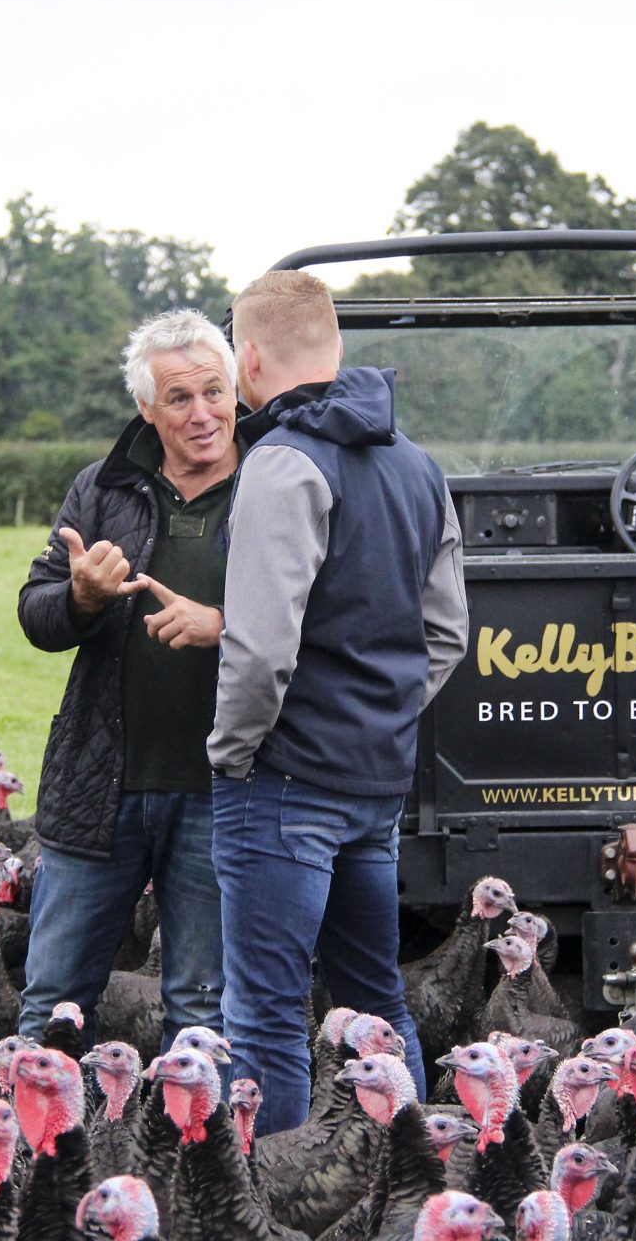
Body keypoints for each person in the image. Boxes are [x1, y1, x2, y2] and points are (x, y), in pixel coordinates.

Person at [208, 269, 469, 1134]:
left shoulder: (283, 463)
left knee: (268, 1013)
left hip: (283, 781)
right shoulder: (418, 465)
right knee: (375, 999)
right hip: (374, 782)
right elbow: (446, 634)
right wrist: (380, 715)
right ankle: (419, 1189)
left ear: (248, 360)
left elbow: (259, 646)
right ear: (337, 347)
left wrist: (233, 752)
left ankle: (275, 1205)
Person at [15, 308, 239, 1047]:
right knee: (51, 1000)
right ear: (147, 408)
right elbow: (36, 614)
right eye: (179, 398)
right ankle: (37, 1157)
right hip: (99, 782)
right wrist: (79, 598)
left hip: (223, 789)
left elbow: (326, 622)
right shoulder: (104, 488)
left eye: (215, 390)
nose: (203, 412)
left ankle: (191, 1161)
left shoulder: (275, 484)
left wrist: (224, 625)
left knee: (203, 1012)